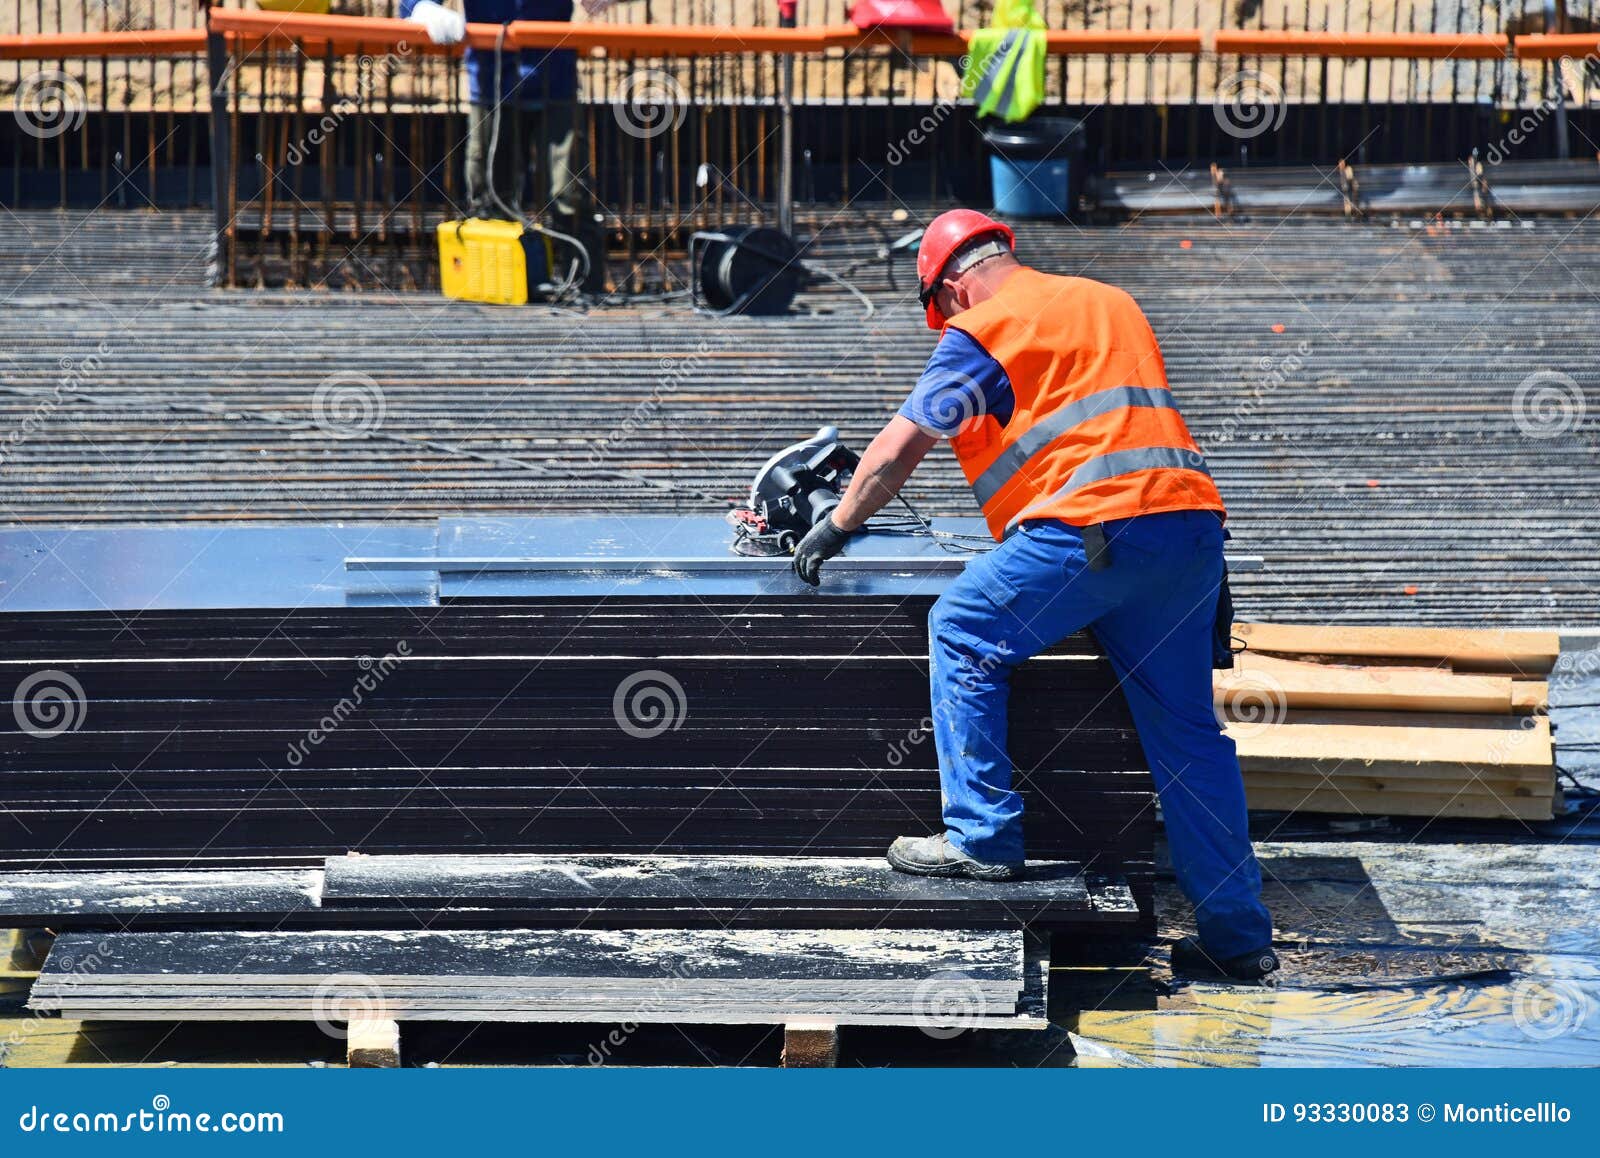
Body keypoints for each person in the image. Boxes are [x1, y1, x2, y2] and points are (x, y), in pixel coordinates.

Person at [791, 209, 1277, 981]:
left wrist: (836, 523)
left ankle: (980, 837)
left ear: (953, 288)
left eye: (940, 310)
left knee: (962, 625)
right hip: (1189, 534)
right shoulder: (1107, 300)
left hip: (1090, 534)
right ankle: (1238, 938)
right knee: (1188, 739)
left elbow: (899, 446)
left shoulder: (984, 329)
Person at [404, 0, 604, 285]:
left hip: (555, 79)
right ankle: (495, 288)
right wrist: (421, 7)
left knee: (569, 193)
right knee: (489, 198)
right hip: (490, 82)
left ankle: (586, 287)